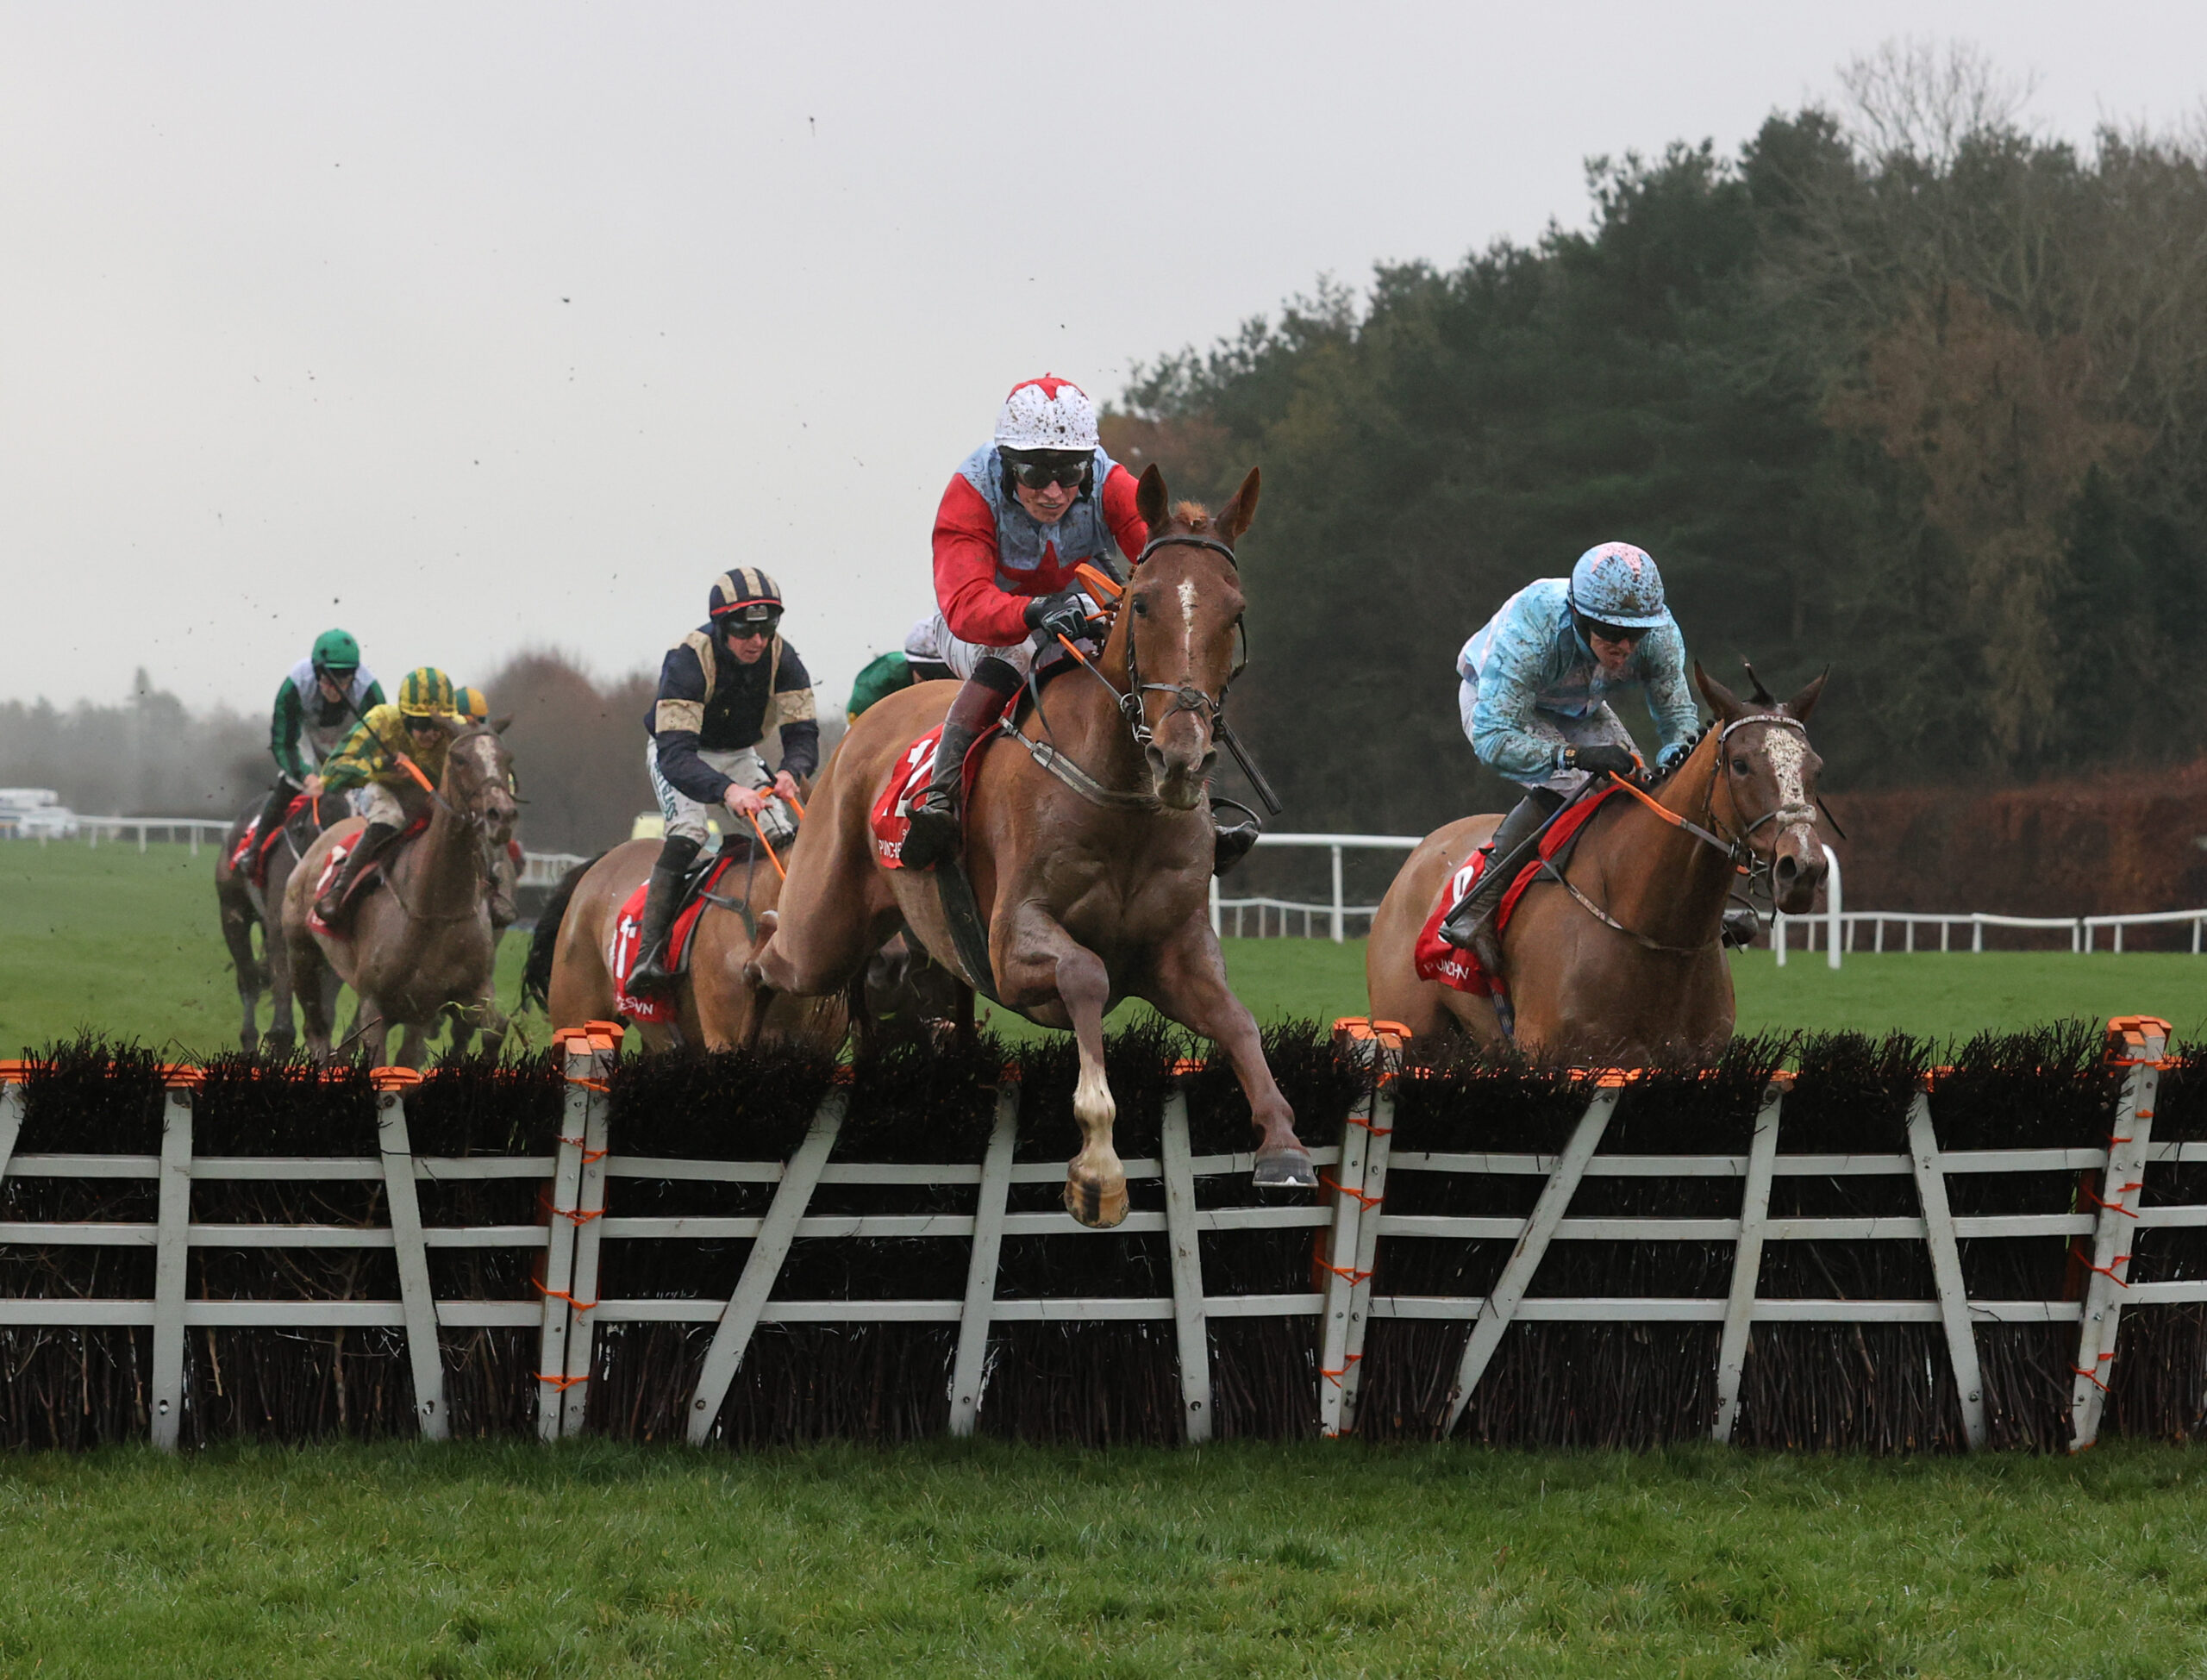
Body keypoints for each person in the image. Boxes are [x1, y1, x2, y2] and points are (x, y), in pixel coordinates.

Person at [897, 374, 1150, 871]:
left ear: (1089, 464)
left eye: (1071, 472)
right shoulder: (970, 491)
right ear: (1008, 464)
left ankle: (1193, 798)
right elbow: (967, 604)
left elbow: (1160, 550)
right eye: (1035, 474)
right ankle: (940, 796)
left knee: (1150, 646)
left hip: (1072, 594)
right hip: (980, 621)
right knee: (1019, 650)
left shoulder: (1111, 480)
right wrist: (1031, 613)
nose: (1054, 492)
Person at [1438, 542, 1699, 971]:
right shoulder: (1534, 627)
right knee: (1578, 783)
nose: (1626, 648)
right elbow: (1493, 739)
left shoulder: (1661, 635)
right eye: (1613, 634)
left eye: (1636, 636)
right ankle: (1477, 908)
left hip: (1578, 704)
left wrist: (1675, 770)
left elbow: (1678, 721)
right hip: (1496, 706)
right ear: (1579, 615)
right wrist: (1573, 755)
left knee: (1642, 789)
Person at [626, 568, 820, 997]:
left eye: (767, 628)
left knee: (782, 837)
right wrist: (727, 791)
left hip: (739, 754)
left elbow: (803, 733)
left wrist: (791, 770)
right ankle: (649, 954)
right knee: (690, 833)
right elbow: (674, 755)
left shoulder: (784, 659)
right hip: (680, 753)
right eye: (744, 629)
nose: (757, 641)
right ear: (720, 626)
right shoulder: (687, 660)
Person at [312, 667, 462, 928]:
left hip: (436, 798)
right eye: (422, 724)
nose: (433, 734)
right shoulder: (382, 720)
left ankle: (492, 891)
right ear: (404, 717)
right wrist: (383, 764)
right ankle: (338, 891)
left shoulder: (458, 731)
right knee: (389, 817)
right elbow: (332, 772)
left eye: (439, 725)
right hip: (385, 790)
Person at [246, 630, 384, 884]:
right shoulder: (295, 684)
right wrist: (306, 776)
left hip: (350, 743)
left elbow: (378, 741)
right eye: (330, 679)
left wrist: (355, 772)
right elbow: (283, 742)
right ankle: (254, 850)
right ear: (317, 671)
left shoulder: (368, 690)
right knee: (287, 786)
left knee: (376, 796)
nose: (337, 688)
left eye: (345, 679)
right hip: (307, 741)